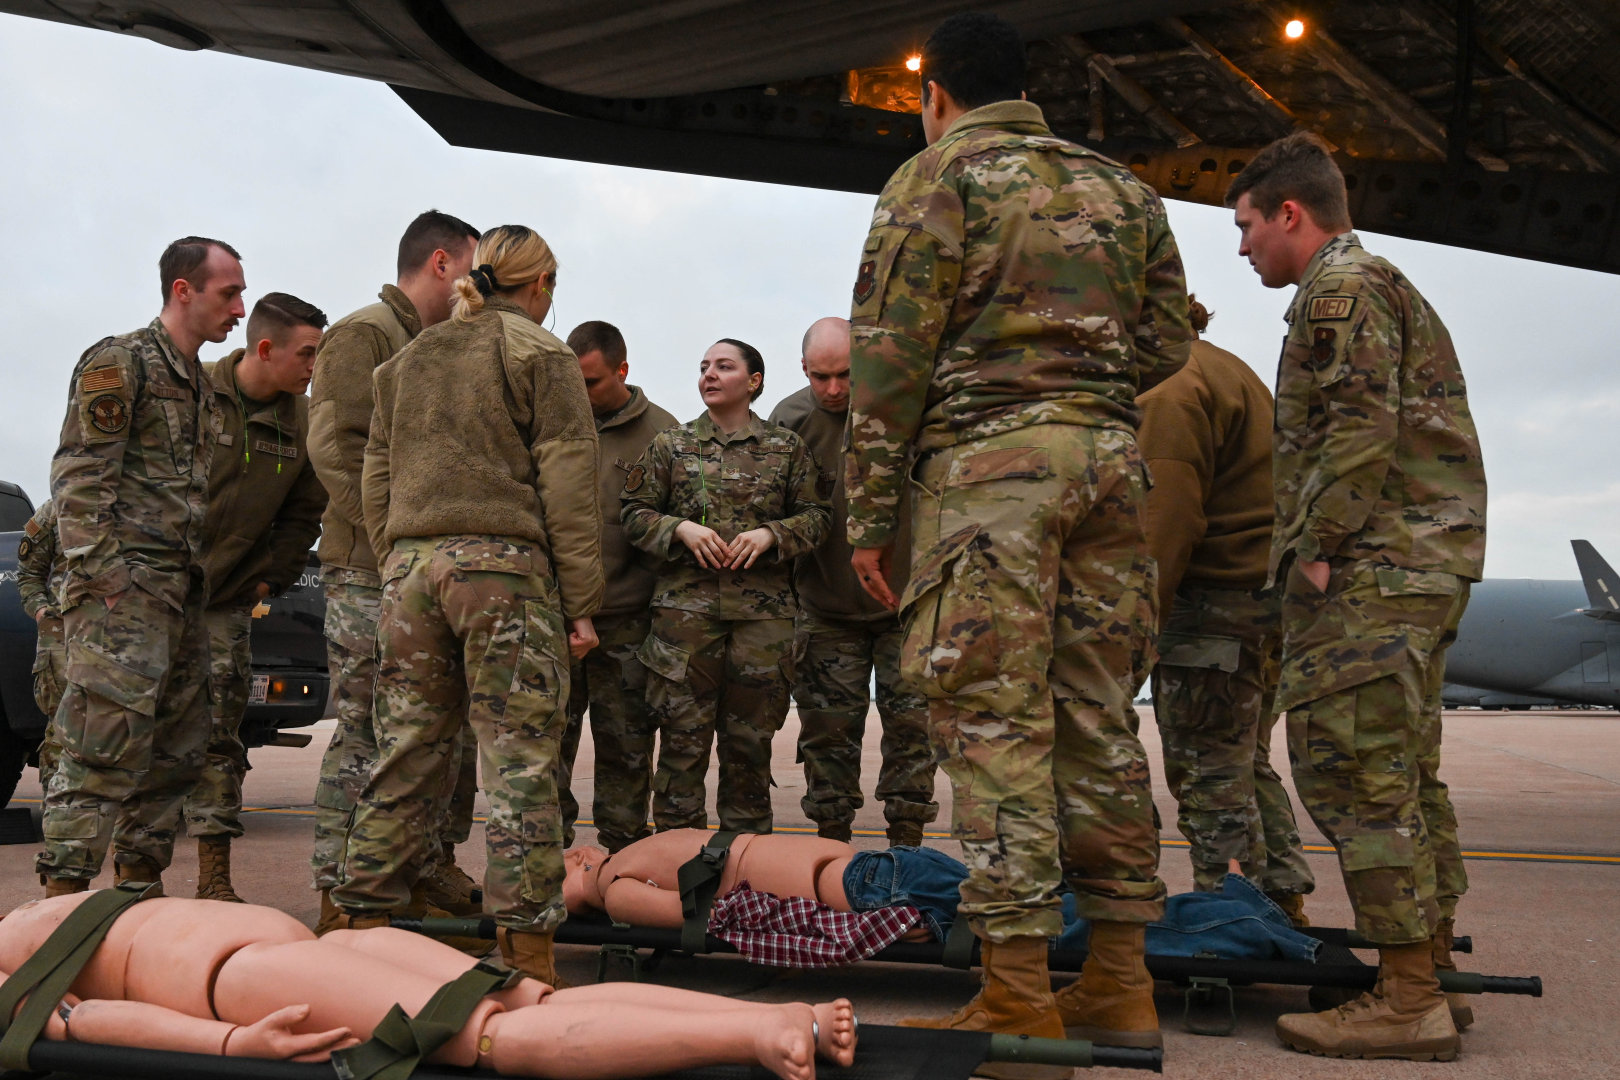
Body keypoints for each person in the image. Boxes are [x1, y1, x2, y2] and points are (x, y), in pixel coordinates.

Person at [843, 12, 1192, 1059]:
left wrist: (870, 515)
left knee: (992, 725)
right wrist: (1081, 396)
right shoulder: (1123, 189)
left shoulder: (937, 177)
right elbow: (1172, 334)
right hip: (1110, 476)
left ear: (934, 93)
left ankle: (1017, 991)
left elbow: (887, 360)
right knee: (1095, 719)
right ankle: (1121, 985)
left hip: (990, 483)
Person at [1227, 131, 1486, 1060]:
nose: (1243, 246)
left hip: (1374, 571)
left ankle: (1407, 997)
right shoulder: (1380, 283)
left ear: (1290, 213)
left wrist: (1317, 550)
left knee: (1355, 775)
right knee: (1406, 778)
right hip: (1418, 563)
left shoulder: (1338, 290)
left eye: (1248, 225)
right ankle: (1431, 978)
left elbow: (1357, 425)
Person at [331, 225, 603, 990]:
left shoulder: (408, 359)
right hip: (501, 570)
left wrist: (398, 558)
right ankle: (525, 955)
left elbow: (374, 476)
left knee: (408, 748)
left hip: (411, 573)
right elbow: (569, 485)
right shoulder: (538, 354)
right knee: (518, 759)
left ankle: (357, 930)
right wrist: (580, 601)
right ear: (540, 284)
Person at [0, 891, 857, 1080]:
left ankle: (786, 1015)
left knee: (530, 1003)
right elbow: (83, 1021)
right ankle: (755, 1033)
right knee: (494, 1039)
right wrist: (230, 1043)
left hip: (304, 947)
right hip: (245, 980)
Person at [38, 237, 240, 895]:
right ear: (184, 290)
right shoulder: (121, 362)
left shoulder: (199, 385)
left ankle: (135, 895)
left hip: (179, 593)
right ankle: (60, 907)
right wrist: (106, 580)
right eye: (228, 292)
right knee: (99, 748)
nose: (239, 308)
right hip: (122, 597)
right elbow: (80, 475)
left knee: (175, 754)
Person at [307, 211, 484, 928]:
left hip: (418, 572)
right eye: (474, 269)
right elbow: (336, 449)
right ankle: (339, 891)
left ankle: (413, 876)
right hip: (367, 569)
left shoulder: (440, 344)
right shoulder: (364, 336)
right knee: (366, 730)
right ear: (441, 264)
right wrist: (392, 545)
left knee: (430, 734)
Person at [1136, 296, 1314, 918]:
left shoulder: (1168, 388)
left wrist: (1136, 628)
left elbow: (1167, 521)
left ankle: (1227, 918)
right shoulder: (1225, 367)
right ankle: (1282, 898)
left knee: (1207, 772)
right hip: (1259, 602)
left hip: (1210, 608)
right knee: (1242, 763)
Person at [621, 340, 830, 835]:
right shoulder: (672, 445)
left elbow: (818, 517)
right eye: (703, 368)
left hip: (763, 623)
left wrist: (772, 534)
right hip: (684, 622)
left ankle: (745, 879)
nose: (709, 374)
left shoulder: (786, 448)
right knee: (680, 747)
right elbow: (632, 513)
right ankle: (676, 874)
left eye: (724, 366)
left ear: (754, 380)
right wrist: (678, 529)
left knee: (749, 751)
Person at [560, 833, 1318, 965]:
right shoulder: (621, 890)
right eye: (558, 876)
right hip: (871, 891)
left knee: (1056, 915)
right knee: (1058, 926)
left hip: (879, 875)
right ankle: (1244, 924)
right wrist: (885, 930)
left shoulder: (625, 859)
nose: (570, 857)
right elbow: (731, 924)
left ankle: (1241, 918)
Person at [183, 293, 330, 903]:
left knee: (219, 736)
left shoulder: (304, 422)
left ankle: (214, 879)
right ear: (264, 349)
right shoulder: (190, 395)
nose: (313, 368)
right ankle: (132, 884)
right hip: (155, 595)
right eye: (306, 354)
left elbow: (304, 513)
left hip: (227, 602)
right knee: (140, 735)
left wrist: (273, 578)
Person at [768, 318, 937, 847]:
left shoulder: (903, 409)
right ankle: (832, 844)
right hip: (826, 610)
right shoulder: (790, 419)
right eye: (821, 377)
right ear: (804, 371)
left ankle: (907, 846)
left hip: (905, 608)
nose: (835, 389)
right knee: (827, 734)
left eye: (846, 375)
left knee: (912, 730)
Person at [556, 321, 677, 852]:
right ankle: (546, 863)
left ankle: (623, 861)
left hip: (628, 621)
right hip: (556, 620)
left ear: (622, 371)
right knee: (544, 747)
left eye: (591, 381)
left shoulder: (663, 434)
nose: (579, 394)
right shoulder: (550, 421)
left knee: (626, 747)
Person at [15, 500, 66, 789]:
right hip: (64, 642)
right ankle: (61, 824)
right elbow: (28, 575)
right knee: (62, 734)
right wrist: (43, 614)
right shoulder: (55, 510)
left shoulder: (143, 502)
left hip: (128, 641)